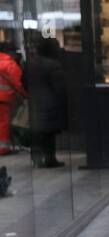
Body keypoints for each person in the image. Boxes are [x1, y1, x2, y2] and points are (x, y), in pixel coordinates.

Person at [22, 36, 67, 168]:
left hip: (34, 102)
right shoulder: (53, 65)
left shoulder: (30, 63)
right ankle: (50, 158)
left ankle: (37, 158)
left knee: (37, 133)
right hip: (50, 103)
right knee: (49, 133)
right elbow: (59, 87)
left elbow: (23, 81)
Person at [0, 41, 25, 156]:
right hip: (3, 99)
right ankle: (3, 148)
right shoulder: (9, 64)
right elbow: (19, 83)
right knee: (3, 124)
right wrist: (26, 95)